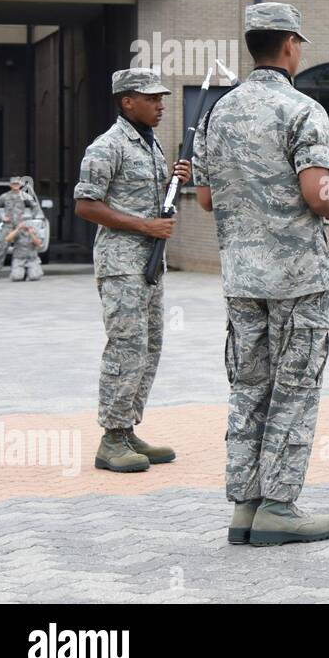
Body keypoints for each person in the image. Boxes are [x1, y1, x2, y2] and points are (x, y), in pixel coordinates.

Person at [193, 3, 329, 546]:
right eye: (299, 43)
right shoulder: (303, 109)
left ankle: (245, 506)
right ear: (287, 45)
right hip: (296, 278)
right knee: (295, 388)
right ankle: (280, 506)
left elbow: (207, 200)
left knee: (248, 388)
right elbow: (317, 191)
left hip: (240, 278)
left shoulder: (216, 114)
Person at [74, 68, 190, 474]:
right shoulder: (107, 146)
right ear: (127, 101)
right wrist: (144, 226)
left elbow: (146, 200)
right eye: (152, 98)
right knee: (126, 348)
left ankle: (127, 428)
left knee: (150, 346)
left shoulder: (151, 146)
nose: (161, 105)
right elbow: (86, 205)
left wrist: (175, 182)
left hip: (149, 264)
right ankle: (111, 439)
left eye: (161, 98)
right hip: (121, 264)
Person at [0, 176, 39, 279]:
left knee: (26, 247)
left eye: (17, 184)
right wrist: (1, 218)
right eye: (13, 184)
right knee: (1, 248)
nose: (15, 186)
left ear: (20, 185)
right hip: (8, 226)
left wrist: (29, 218)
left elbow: (35, 206)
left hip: (21, 226)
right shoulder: (4, 196)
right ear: (10, 185)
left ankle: (24, 269)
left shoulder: (24, 196)